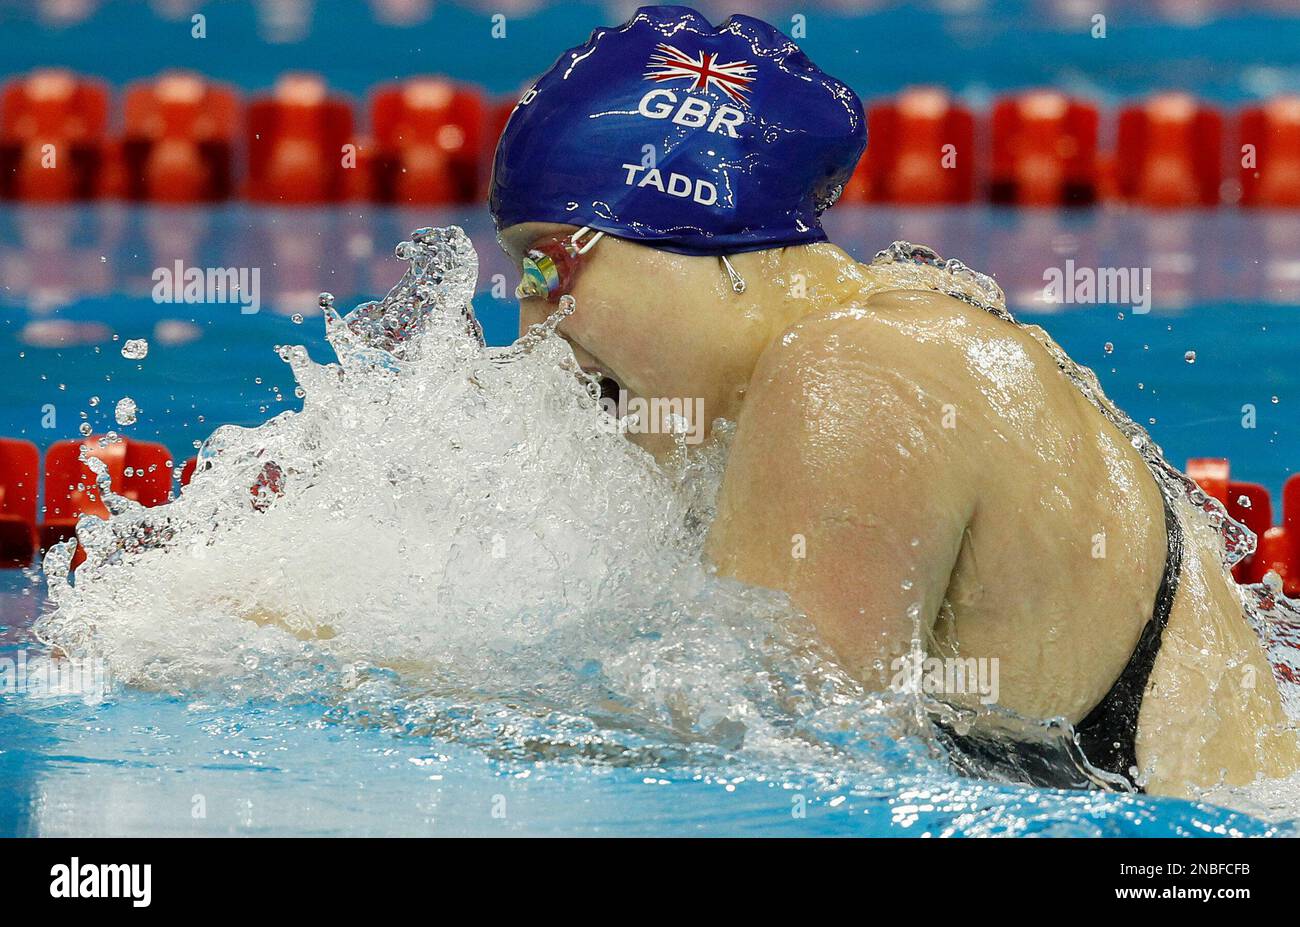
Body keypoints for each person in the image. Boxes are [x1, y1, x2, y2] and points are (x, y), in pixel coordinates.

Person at [489, 5, 1299, 796]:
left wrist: (436, 698)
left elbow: (765, 775)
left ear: (703, 236)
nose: (534, 331)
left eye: (547, 265)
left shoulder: (852, 369)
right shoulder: (899, 330)